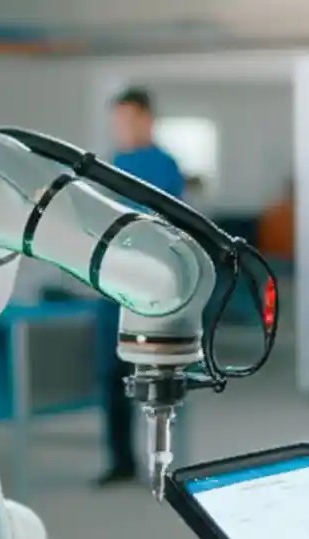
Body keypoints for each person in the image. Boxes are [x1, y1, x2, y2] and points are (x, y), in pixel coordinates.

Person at [97, 87, 185, 487]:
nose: (123, 129)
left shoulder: (165, 166)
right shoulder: (110, 166)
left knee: (156, 381)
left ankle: (162, 464)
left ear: (148, 120)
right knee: (111, 378)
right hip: (113, 290)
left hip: (151, 292)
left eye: (130, 120)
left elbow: (164, 226)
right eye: (118, 121)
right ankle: (120, 461)